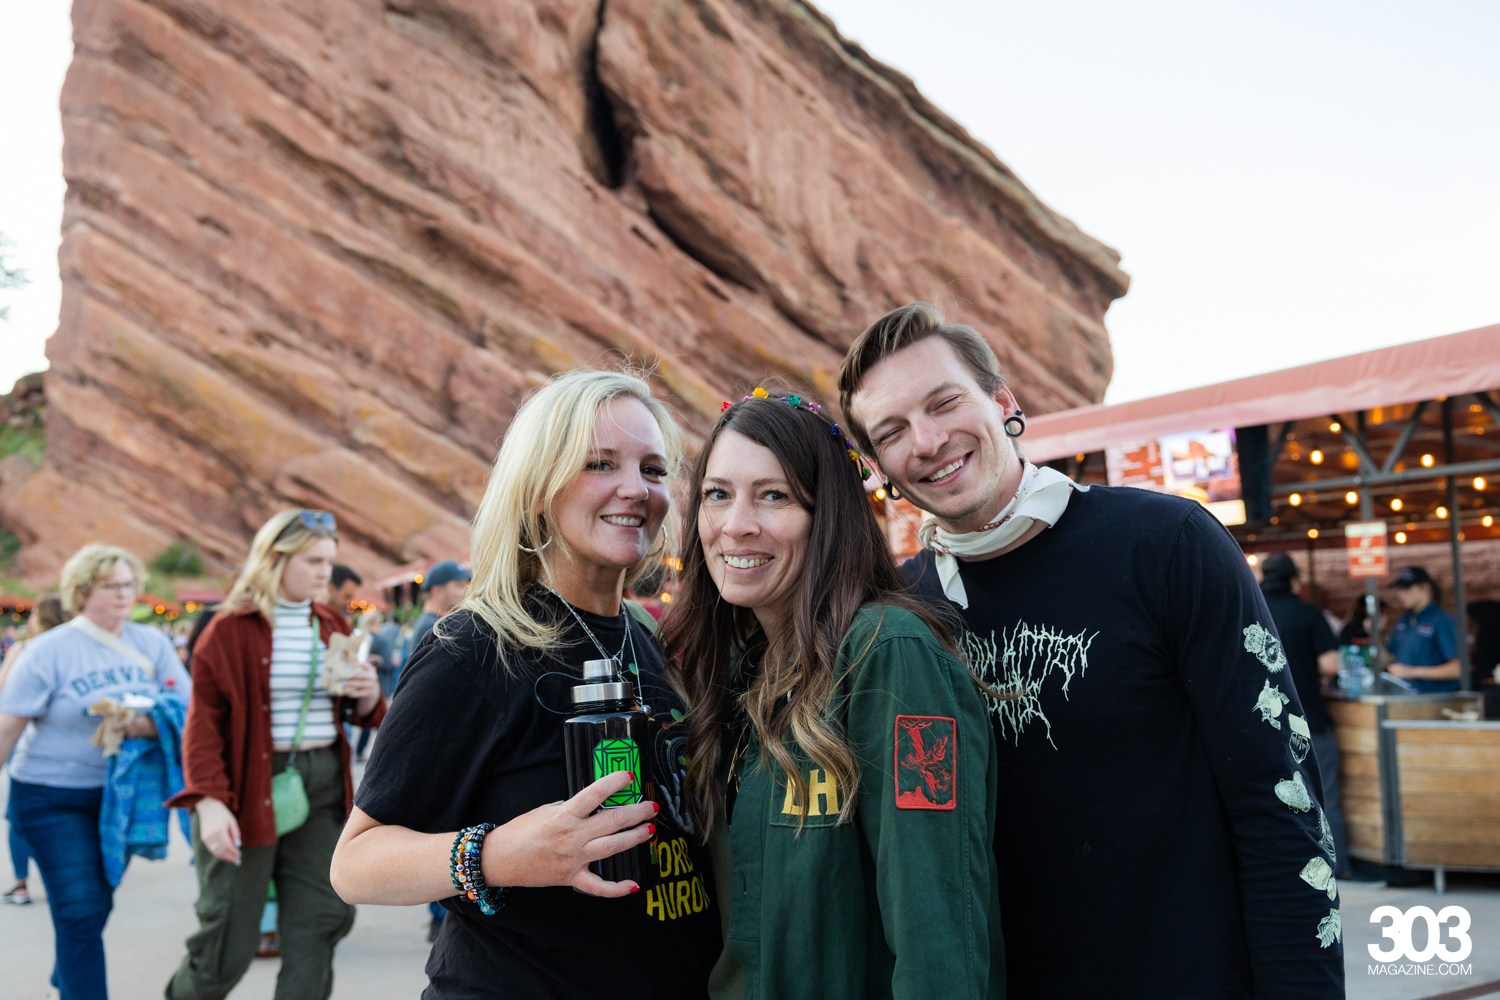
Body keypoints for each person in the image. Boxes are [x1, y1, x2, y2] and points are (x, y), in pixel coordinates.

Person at [839, 302, 1343, 999]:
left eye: (944, 402)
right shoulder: (901, 612)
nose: (925, 441)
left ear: (1003, 401)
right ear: (880, 468)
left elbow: (1280, 803)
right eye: (892, 432)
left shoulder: (1167, 543)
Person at [330, 368, 720, 999]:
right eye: (599, 464)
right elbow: (355, 865)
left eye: (653, 469)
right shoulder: (476, 647)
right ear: (538, 487)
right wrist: (500, 854)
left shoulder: (648, 636)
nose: (636, 489)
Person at [666, 387, 1002, 1000]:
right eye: (718, 495)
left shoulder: (888, 654)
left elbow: (938, 931)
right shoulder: (731, 671)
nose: (736, 525)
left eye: (774, 496)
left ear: (828, 518)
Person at [164, 509, 386, 1000]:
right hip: (246, 786)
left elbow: (358, 710)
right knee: (226, 939)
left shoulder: (330, 622)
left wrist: (368, 693)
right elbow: (202, 726)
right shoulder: (227, 629)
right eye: (313, 560)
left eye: (329, 561)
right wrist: (208, 801)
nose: (325, 573)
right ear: (274, 559)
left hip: (323, 782)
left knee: (320, 920)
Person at [0, 545, 190, 1000]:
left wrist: (141, 724)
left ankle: (62, 980)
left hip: (124, 796)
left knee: (94, 903)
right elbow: (8, 727)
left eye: (129, 584)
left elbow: (188, 709)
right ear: (83, 591)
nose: (124, 594)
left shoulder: (152, 643)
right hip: (52, 796)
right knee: (81, 910)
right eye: (111, 586)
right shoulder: (48, 650)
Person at [1259, 553, 1348, 877]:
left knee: (1276, 800)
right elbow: (1330, 665)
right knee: (1324, 796)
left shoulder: (1252, 610)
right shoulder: (1309, 614)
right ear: (1295, 580)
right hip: (1308, 717)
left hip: (1263, 722)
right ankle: (1336, 866)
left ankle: (1289, 868)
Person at [0, 594, 72, 906]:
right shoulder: (74, 649)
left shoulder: (24, 648)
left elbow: (3, 691)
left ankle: (20, 884)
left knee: (18, 814)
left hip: (25, 741)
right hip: (68, 744)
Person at [1386, 566, 1462, 692]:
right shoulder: (1403, 620)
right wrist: (1375, 633)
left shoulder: (1442, 620)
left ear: (1425, 588)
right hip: (1405, 699)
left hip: (1434, 700)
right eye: (1399, 589)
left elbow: (1458, 669)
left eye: (1407, 588)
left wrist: (1411, 672)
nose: (1400, 594)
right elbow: (1389, 658)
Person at [405, 560, 471, 658]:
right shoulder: (432, 627)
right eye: (460, 586)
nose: (466, 592)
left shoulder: (430, 623)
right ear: (438, 591)